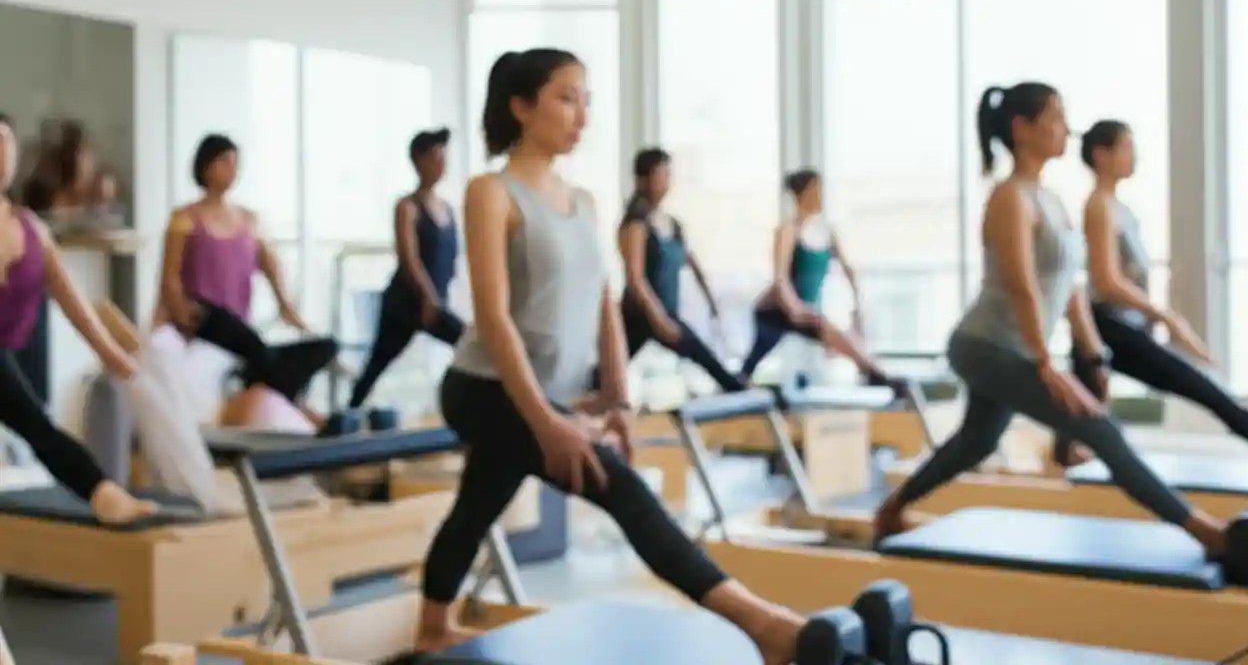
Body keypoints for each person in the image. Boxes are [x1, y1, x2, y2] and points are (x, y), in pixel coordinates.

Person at [412, 49, 805, 664]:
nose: (582, 117)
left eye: (586, 101)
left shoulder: (584, 202)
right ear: (521, 107)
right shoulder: (492, 192)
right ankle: (762, 625)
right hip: (483, 388)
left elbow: (603, 304)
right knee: (622, 489)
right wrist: (549, 423)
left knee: (477, 503)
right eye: (567, 99)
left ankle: (433, 630)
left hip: (546, 396)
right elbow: (492, 318)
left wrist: (618, 397)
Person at [873, 83, 1237, 561]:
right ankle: (1208, 534)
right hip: (986, 345)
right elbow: (1022, 286)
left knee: (976, 442)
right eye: (1056, 118)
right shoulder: (1009, 198)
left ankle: (890, 510)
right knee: (1102, 431)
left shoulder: (1052, 200)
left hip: (1016, 347)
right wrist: (1047, 364)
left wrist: (1092, 352)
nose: (1067, 128)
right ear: (1022, 128)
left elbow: (1070, 289)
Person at [1049, 119, 1248, 464]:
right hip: (1108, 329)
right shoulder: (1099, 206)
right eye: (1125, 147)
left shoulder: (1117, 208)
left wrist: (1154, 320)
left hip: (1124, 328)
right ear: (1100, 154)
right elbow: (1107, 281)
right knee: (1212, 396)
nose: (1133, 156)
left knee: (1082, 426)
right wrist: (1167, 317)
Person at [0, 112, 155, 524]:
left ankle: (102, 493)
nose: (2, 154)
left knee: (35, 425)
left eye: (6, 143)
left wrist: (110, 352)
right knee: (36, 425)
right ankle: (101, 492)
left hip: (12, 356)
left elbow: (73, 300)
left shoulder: (31, 228)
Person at [156, 134, 335, 407]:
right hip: (203, 319)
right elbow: (169, 277)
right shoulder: (184, 218)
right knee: (256, 350)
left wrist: (286, 308)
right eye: (225, 162)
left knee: (326, 346)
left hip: (239, 327)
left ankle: (264, 381)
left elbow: (270, 264)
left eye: (235, 163)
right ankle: (296, 405)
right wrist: (180, 315)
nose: (233, 169)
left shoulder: (249, 220)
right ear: (206, 166)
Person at [738, 169, 896, 389]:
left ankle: (875, 374)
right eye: (815, 190)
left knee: (837, 335)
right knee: (826, 331)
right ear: (801, 194)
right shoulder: (788, 231)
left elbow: (847, 268)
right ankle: (876, 374)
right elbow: (780, 277)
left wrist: (857, 304)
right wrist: (794, 308)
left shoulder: (826, 233)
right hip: (773, 311)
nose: (820, 196)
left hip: (802, 309)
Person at [346, 128, 465, 410]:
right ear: (418, 161)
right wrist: (428, 297)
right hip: (405, 304)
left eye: (444, 158)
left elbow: (449, 258)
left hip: (434, 302)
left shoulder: (447, 209)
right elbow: (409, 258)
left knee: (469, 346)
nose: (441, 164)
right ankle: (347, 415)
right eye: (435, 157)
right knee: (378, 363)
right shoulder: (407, 207)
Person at [617, 147, 744, 393]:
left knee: (608, 372)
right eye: (661, 174)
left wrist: (712, 301)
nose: (667, 181)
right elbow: (635, 278)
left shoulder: (671, 224)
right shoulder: (635, 223)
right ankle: (738, 389)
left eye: (668, 174)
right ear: (643, 179)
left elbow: (691, 263)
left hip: (665, 311)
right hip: (640, 313)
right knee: (702, 356)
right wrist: (659, 318)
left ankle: (737, 388)